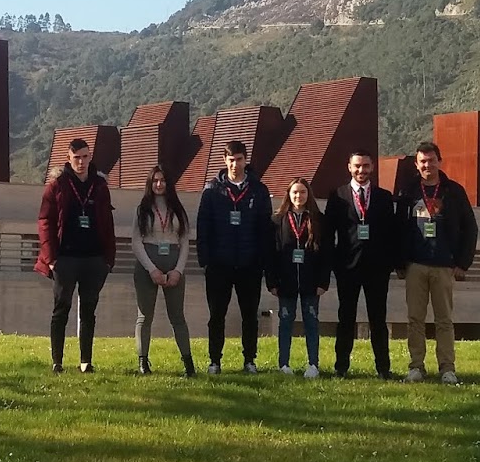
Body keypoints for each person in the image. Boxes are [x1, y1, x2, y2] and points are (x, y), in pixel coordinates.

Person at [395, 140, 478, 384]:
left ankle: (447, 369)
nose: (427, 165)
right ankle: (416, 367)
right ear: (416, 164)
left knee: (444, 320)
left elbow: (470, 227)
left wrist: (463, 263)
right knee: (415, 319)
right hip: (416, 265)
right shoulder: (407, 192)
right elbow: (398, 229)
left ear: (439, 161)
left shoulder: (453, 191)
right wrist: (400, 263)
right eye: (422, 161)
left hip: (444, 265)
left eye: (431, 160)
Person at [34, 138, 117, 373]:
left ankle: (85, 361)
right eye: (76, 157)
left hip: (94, 258)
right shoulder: (58, 184)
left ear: (90, 158)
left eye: (85, 157)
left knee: (89, 310)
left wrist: (108, 260)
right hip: (65, 258)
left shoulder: (99, 185)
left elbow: (108, 223)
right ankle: (57, 361)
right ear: (69, 159)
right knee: (61, 308)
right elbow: (45, 221)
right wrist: (51, 259)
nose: (81, 162)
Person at [195, 140, 273, 374]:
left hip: (249, 264)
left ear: (245, 160)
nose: (235, 164)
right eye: (231, 160)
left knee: (249, 315)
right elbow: (203, 226)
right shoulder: (212, 190)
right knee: (217, 315)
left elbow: (265, 229)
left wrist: (261, 261)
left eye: (239, 160)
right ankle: (214, 361)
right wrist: (205, 259)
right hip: (219, 264)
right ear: (224, 160)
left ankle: (249, 360)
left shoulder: (259, 190)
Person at [326, 149, 402, 378]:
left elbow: (392, 234)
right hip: (347, 268)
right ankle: (341, 367)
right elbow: (329, 234)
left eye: (366, 166)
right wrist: (333, 264)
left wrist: (390, 263)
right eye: (357, 166)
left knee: (378, 320)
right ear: (349, 167)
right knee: (345, 318)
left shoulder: (383, 197)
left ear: (372, 167)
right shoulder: (337, 196)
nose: (361, 170)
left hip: (377, 269)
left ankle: (383, 368)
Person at [131, 165, 196, 376]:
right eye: (155, 181)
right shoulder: (143, 209)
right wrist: (151, 269)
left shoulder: (177, 208)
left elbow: (185, 241)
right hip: (148, 266)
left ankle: (188, 363)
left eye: (163, 180)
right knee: (145, 316)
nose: (159, 184)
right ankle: (143, 362)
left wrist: (178, 270)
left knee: (177, 316)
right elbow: (136, 242)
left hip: (173, 265)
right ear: (150, 184)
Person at [265, 177, 332, 377]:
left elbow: (327, 253)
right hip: (286, 282)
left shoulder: (319, 219)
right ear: (288, 194)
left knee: (311, 321)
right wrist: (272, 281)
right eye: (295, 192)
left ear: (308, 194)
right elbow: (271, 253)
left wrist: (323, 281)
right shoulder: (277, 220)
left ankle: (313, 364)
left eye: (302, 192)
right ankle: (284, 364)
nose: (298, 196)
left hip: (311, 282)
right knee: (285, 321)